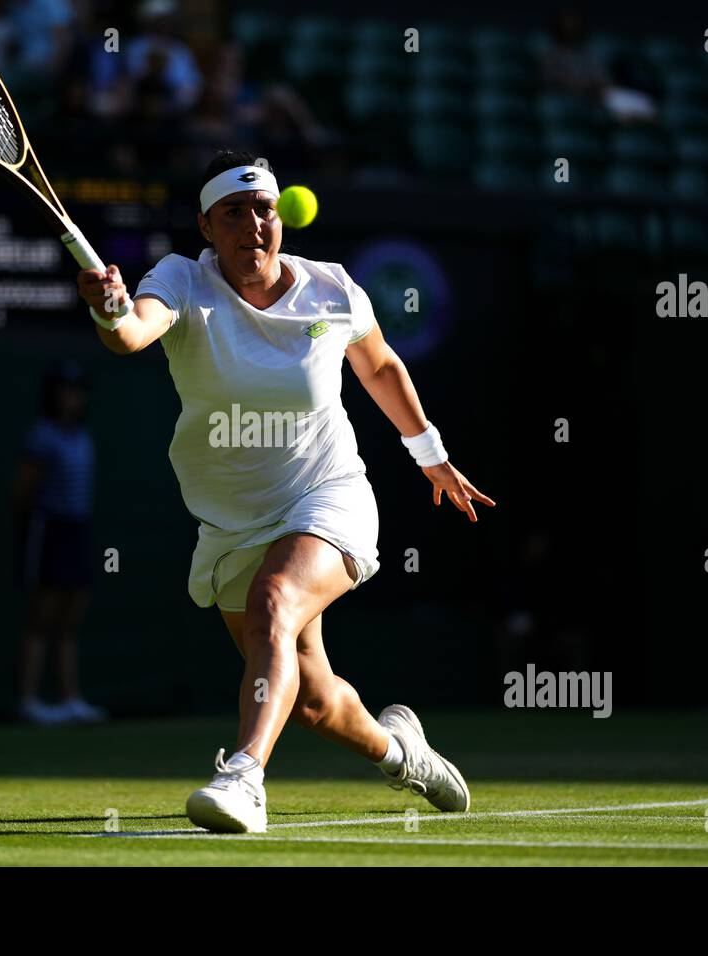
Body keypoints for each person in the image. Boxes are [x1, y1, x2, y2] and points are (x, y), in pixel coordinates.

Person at [75, 149, 496, 833]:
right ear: (207, 229)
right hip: (233, 523)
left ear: (282, 216)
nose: (253, 225)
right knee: (312, 701)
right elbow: (130, 333)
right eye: (233, 213)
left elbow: (381, 364)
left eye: (263, 209)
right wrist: (109, 308)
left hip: (327, 495)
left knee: (276, 599)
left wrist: (430, 455)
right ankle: (402, 753)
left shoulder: (332, 289)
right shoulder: (181, 280)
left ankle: (243, 776)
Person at [13, 362, 107, 726]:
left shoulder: (82, 435)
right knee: (41, 616)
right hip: (47, 528)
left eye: (78, 390)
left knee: (70, 616)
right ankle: (29, 700)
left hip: (77, 529)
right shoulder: (42, 436)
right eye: (66, 390)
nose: (73, 398)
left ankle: (70, 699)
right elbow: (22, 490)